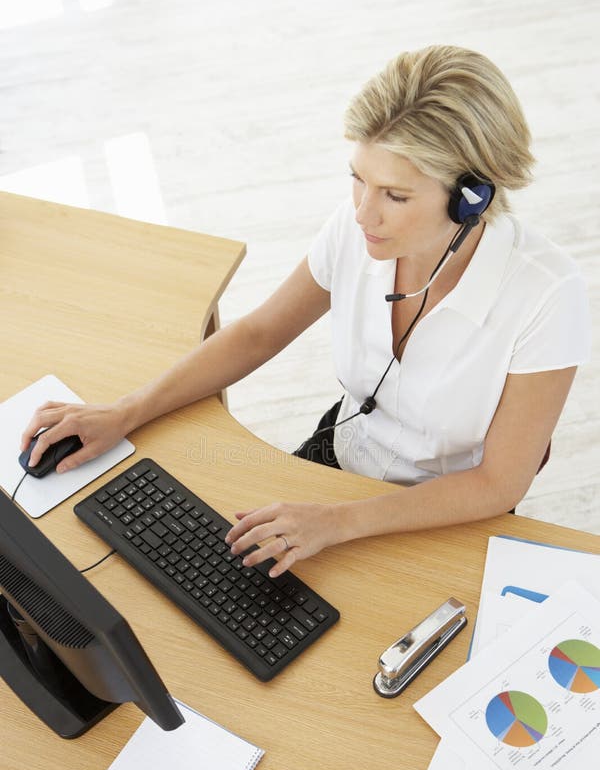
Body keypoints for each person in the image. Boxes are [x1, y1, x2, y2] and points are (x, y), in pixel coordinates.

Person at [20, 45, 590, 580]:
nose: (365, 213)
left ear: (473, 198)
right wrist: (124, 413)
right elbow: (259, 333)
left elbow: (498, 482)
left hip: (446, 511)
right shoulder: (357, 229)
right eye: (358, 180)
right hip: (338, 464)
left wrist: (338, 522)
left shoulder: (545, 293)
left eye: (395, 196)